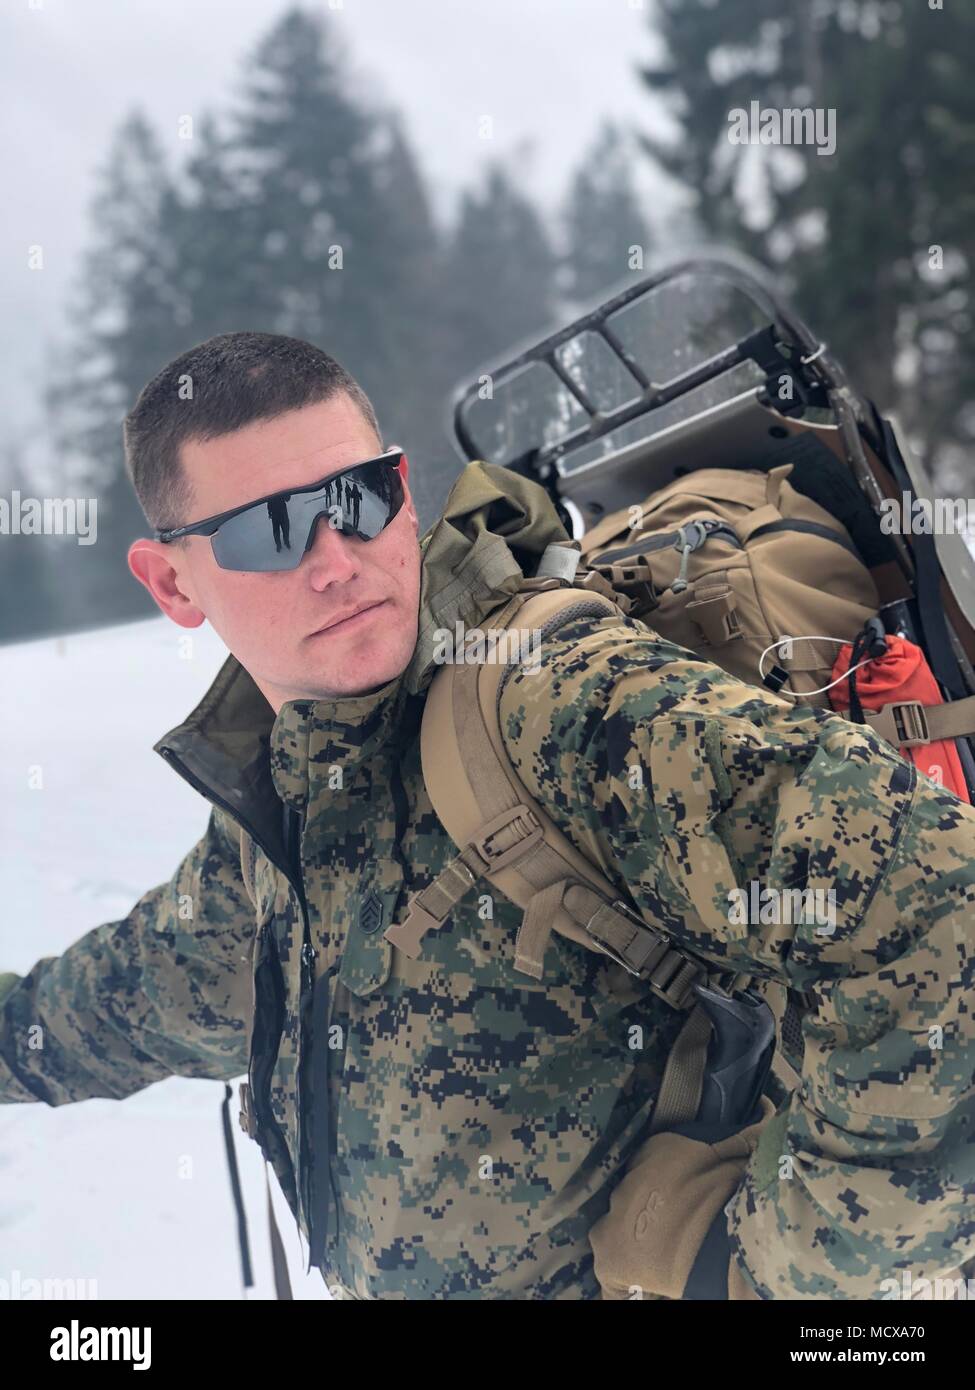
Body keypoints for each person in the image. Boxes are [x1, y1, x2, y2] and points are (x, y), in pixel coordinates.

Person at [1, 331, 972, 1301]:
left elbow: (943, 909)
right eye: (269, 531)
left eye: (358, 498)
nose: (336, 560)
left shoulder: (559, 708)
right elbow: (125, 996)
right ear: (172, 581)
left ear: (405, 492)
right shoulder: (281, 820)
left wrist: (772, 1270)